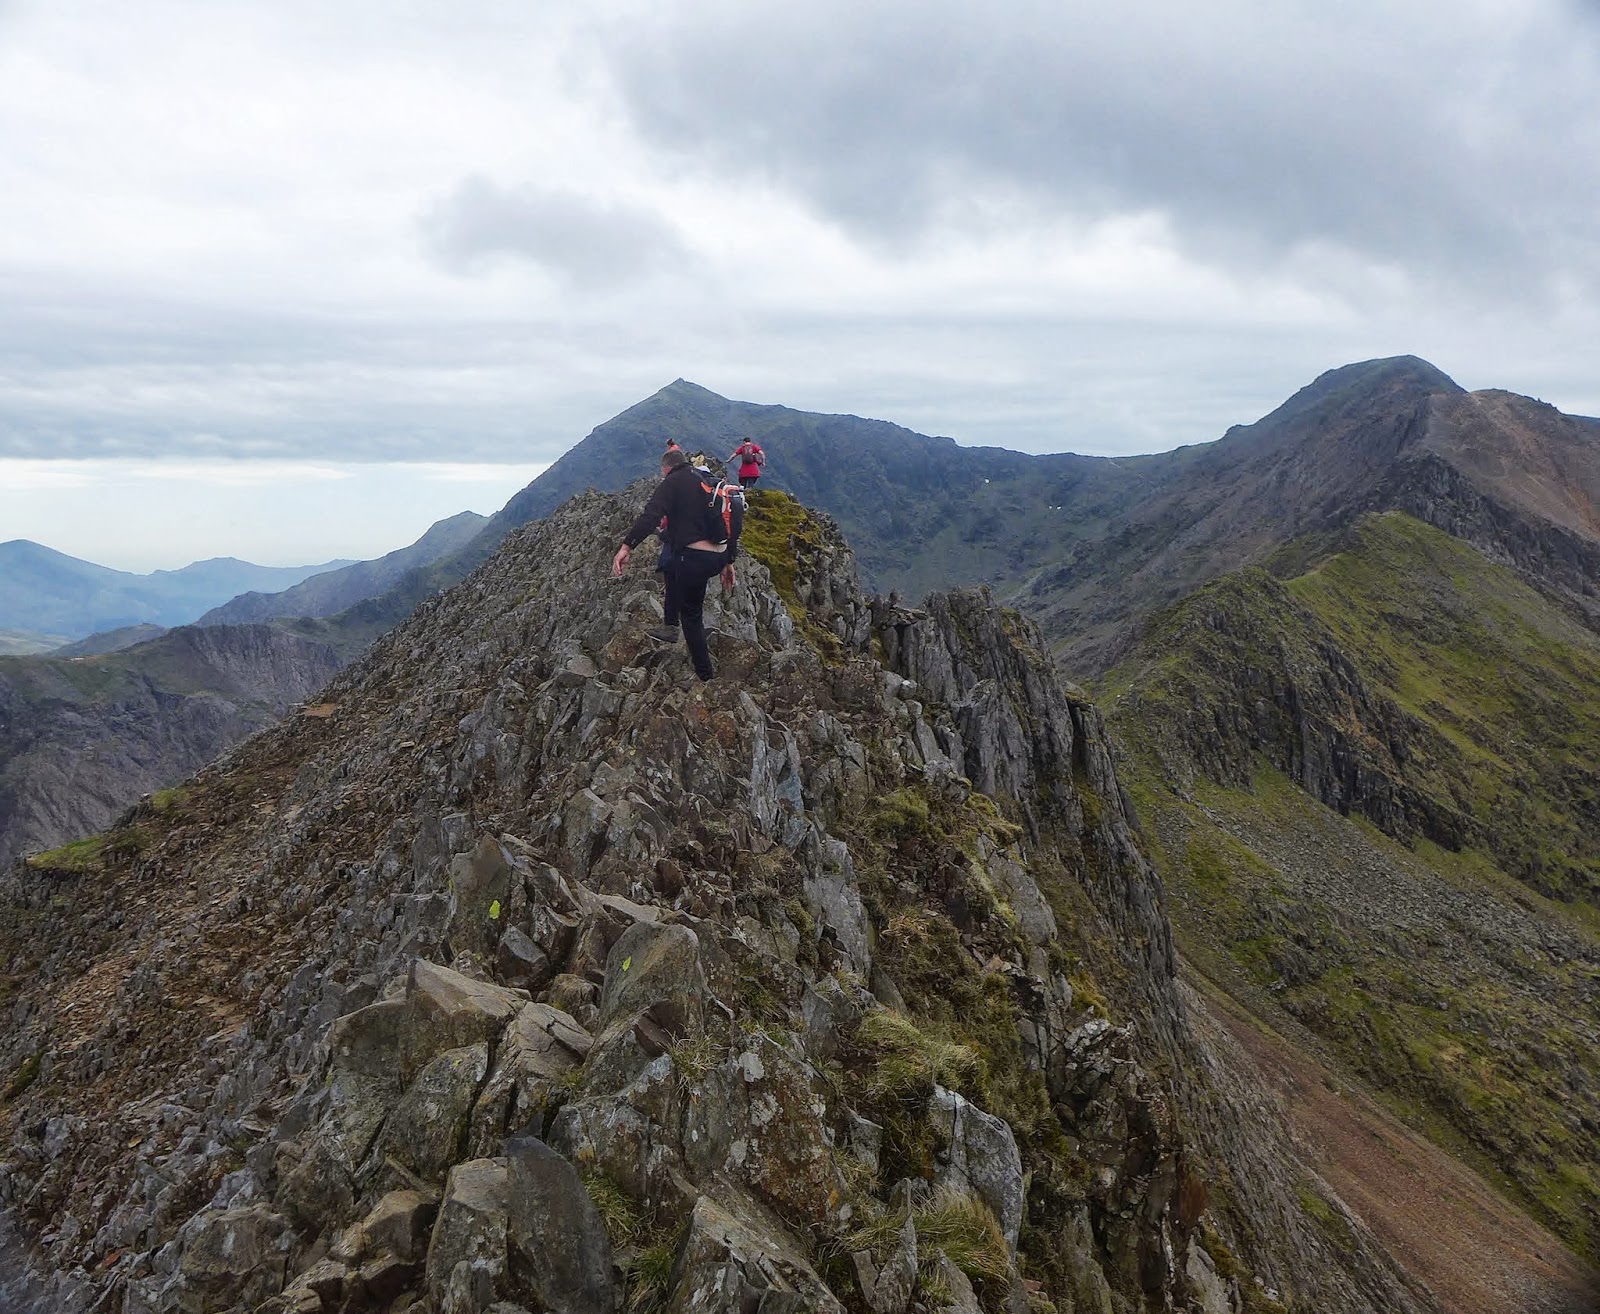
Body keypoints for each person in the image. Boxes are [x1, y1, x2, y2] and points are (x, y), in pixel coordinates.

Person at [613, 449, 742, 681]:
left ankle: (705, 676)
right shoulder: (705, 478)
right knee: (673, 569)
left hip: (694, 559)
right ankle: (670, 625)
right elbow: (728, 518)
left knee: (692, 615)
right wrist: (729, 561)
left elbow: (650, 516)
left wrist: (626, 547)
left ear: (666, 468)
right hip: (719, 555)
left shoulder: (672, 483)